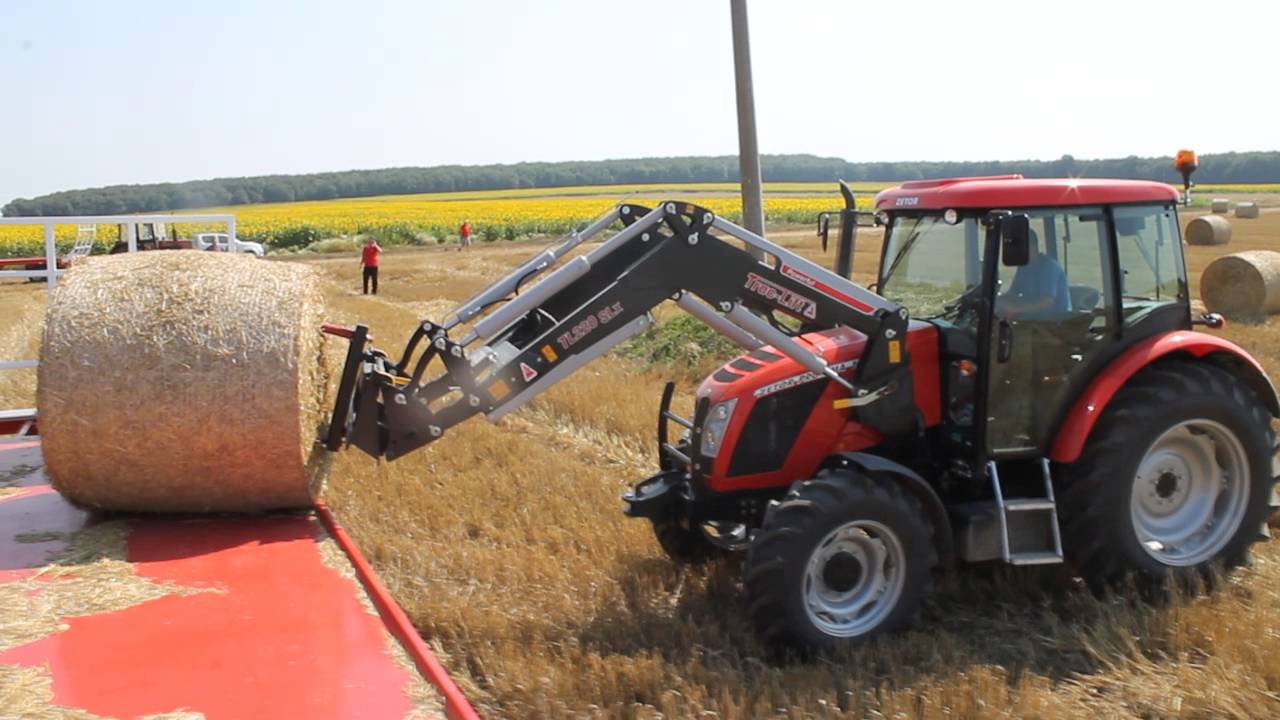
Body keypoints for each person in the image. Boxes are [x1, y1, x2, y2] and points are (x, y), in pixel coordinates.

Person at [999, 230, 1069, 317]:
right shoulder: (1023, 267)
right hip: (1032, 319)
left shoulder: (1049, 267)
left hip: (1055, 321)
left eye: (1018, 248)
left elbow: (1047, 302)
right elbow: (1013, 293)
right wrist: (996, 300)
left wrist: (1017, 309)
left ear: (1032, 247)